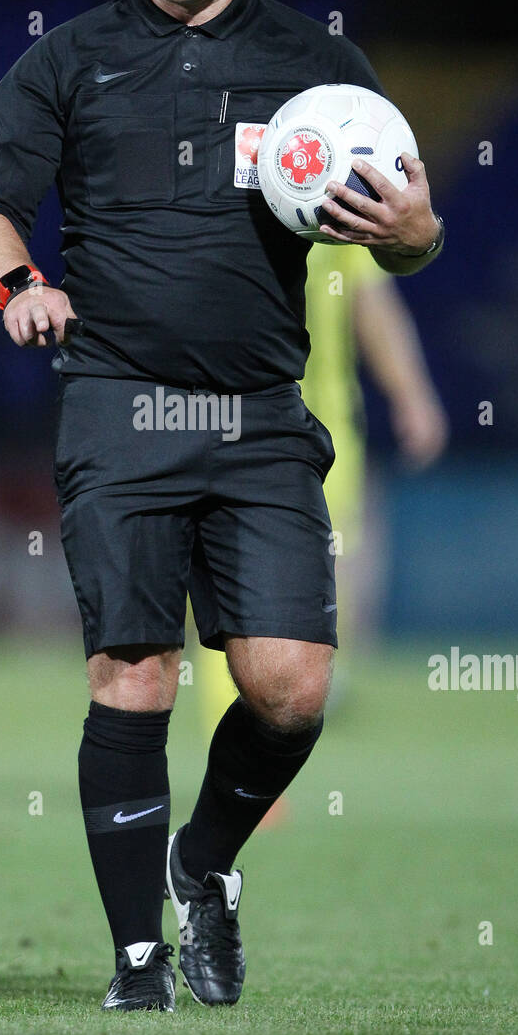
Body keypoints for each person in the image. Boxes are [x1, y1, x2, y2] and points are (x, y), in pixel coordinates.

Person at [0, 0, 445, 1012]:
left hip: (260, 417)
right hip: (118, 406)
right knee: (135, 674)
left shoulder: (318, 74)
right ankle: (134, 968)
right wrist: (20, 284)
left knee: (288, 687)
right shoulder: (64, 61)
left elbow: (408, 239)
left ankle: (203, 863)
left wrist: (418, 234)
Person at [191, 246, 450, 784]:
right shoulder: (215, 184)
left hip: (324, 433)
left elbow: (371, 300)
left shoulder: (334, 186)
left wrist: (412, 395)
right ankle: (237, 769)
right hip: (230, 426)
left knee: (327, 603)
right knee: (236, 594)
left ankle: (286, 740)